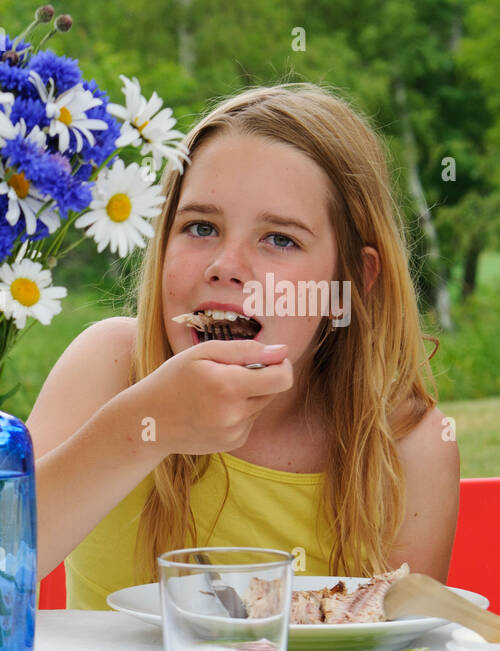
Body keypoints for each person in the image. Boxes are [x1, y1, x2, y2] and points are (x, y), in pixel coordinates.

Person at [28, 82, 458, 610]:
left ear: (350, 281)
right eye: (201, 226)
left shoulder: (409, 446)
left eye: (280, 239)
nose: (225, 266)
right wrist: (146, 426)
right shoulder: (112, 365)